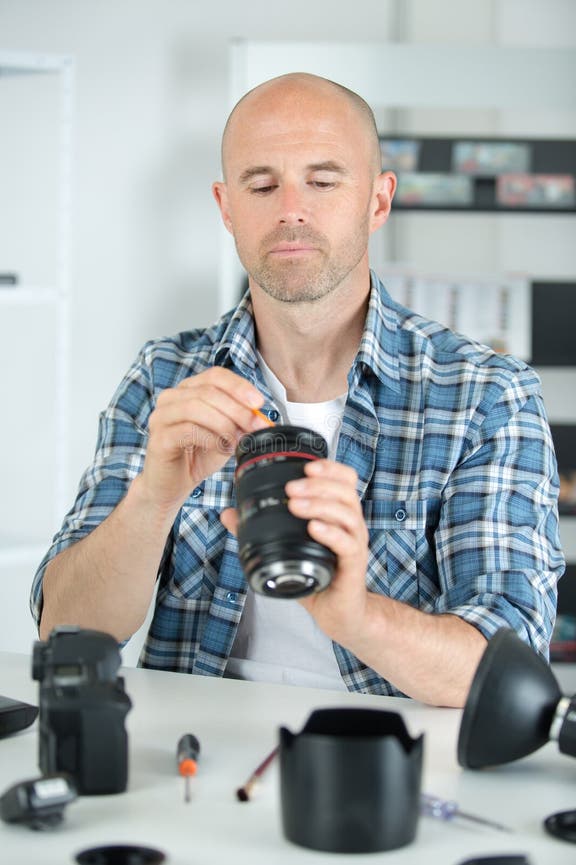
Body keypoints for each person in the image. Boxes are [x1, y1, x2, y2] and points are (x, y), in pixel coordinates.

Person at [31, 73, 564, 708]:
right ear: (227, 207)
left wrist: (356, 616)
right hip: (192, 759)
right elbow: (65, 630)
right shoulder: (165, 376)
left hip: (393, 761)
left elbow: (509, 673)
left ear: (378, 200)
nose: (291, 209)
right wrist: (153, 498)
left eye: (322, 180)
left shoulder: (486, 395)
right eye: (262, 184)